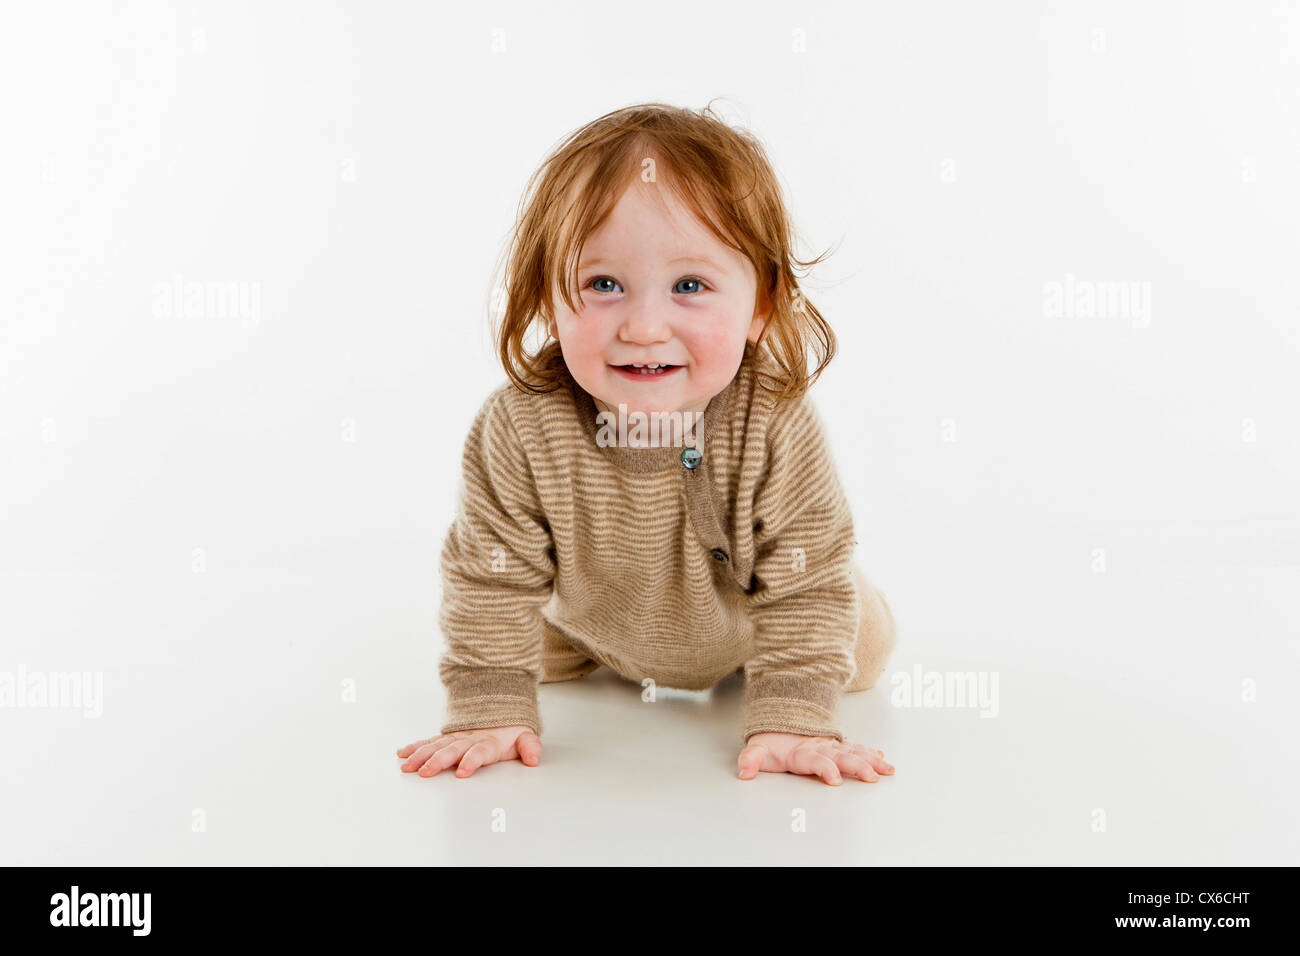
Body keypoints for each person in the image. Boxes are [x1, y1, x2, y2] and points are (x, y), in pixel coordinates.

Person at [397, 102, 897, 786]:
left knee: (858, 653)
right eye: (603, 284)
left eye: (690, 285)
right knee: (522, 642)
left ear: (760, 306)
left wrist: (792, 717)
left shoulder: (775, 421)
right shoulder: (519, 426)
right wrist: (488, 703)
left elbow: (805, 578)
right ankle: (604, 654)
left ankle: (811, 650)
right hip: (592, 618)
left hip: (751, 615)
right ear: (548, 297)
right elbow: (491, 575)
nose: (643, 325)